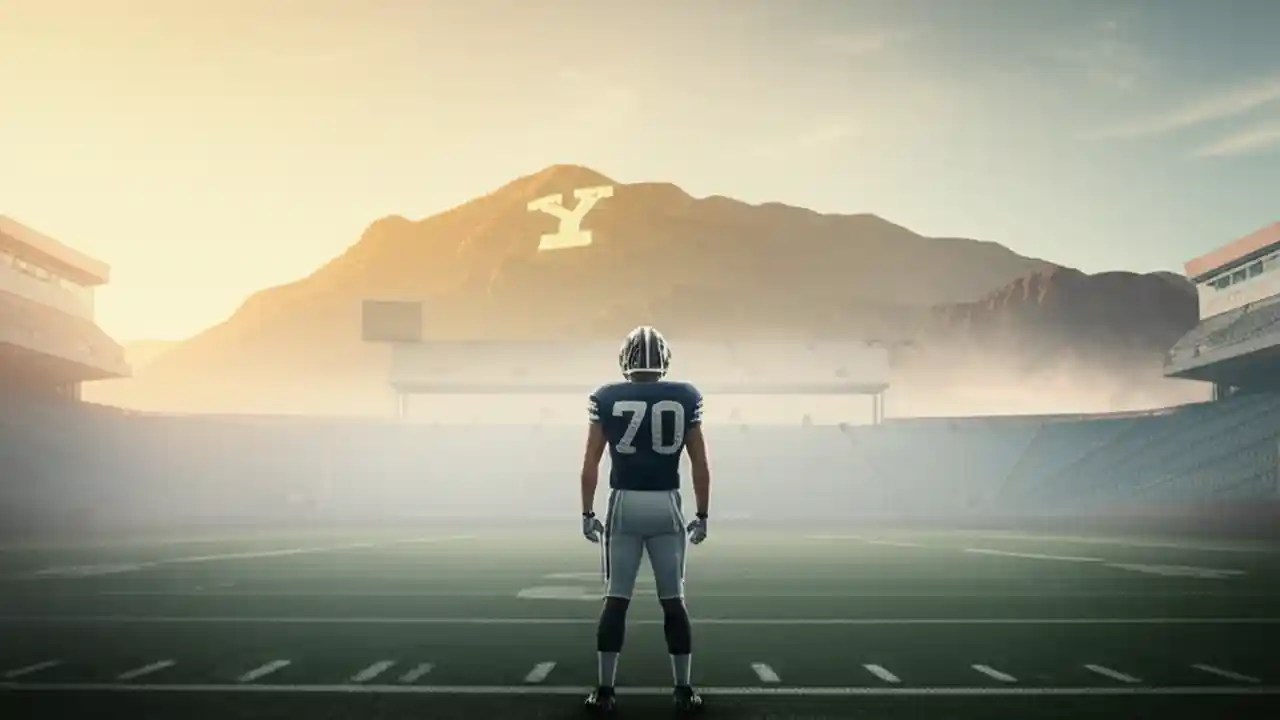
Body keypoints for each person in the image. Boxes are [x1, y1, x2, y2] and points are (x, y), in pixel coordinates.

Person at [579, 325, 710, 715]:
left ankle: (605, 691)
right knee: (674, 602)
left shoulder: (607, 396)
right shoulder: (685, 396)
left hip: (625, 503)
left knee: (616, 600)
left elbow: (591, 463)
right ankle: (683, 689)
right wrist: (703, 514)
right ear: (664, 360)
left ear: (626, 360)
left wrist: (586, 512)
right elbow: (699, 463)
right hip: (666, 503)